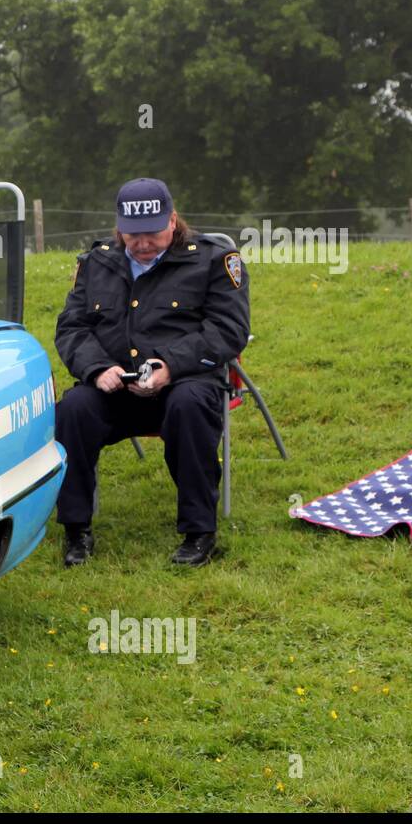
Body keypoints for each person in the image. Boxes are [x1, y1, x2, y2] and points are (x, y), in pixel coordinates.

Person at [54, 177, 250, 567]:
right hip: (115, 388)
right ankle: (76, 530)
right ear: (118, 228)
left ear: (173, 221)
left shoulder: (214, 260)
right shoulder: (96, 263)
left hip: (185, 383)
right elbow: (72, 328)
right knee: (72, 408)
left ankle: (199, 532)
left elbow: (229, 330)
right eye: (132, 235)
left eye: (153, 233)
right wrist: (96, 369)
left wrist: (171, 365)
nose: (142, 244)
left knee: (189, 405)